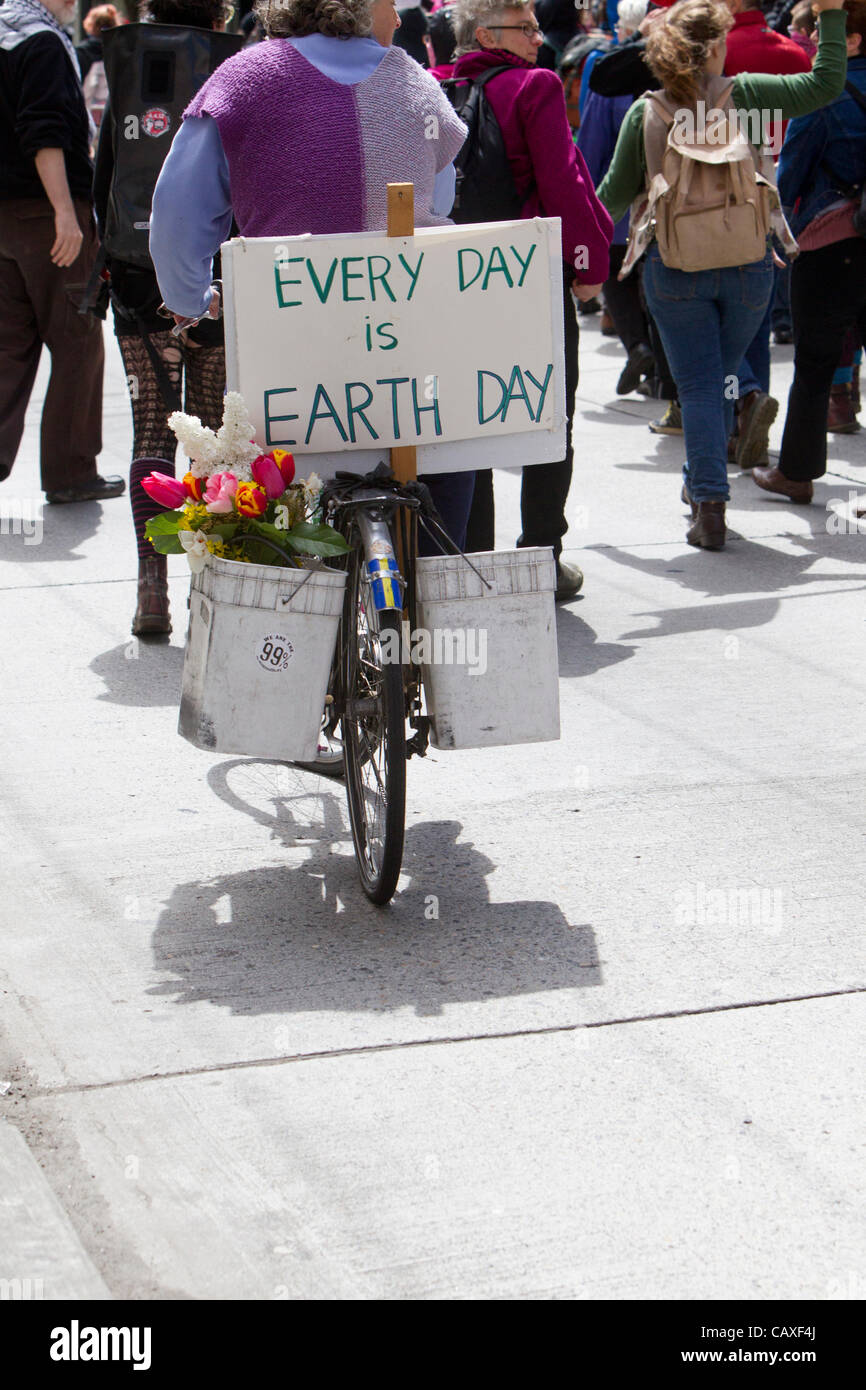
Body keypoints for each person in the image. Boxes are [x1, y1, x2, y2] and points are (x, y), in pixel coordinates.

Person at [149, 0, 473, 552]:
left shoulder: (244, 78)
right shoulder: (413, 79)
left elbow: (177, 215)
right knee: (436, 498)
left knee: (287, 537)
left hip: (292, 356)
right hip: (412, 349)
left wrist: (191, 298)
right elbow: (440, 202)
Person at [597, 0, 847, 549]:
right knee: (719, 380)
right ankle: (702, 484)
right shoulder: (749, 94)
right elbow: (826, 84)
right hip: (749, 267)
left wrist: (574, 256)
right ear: (715, 47)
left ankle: (709, 503)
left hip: (675, 268)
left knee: (701, 387)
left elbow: (611, 198)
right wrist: (829, 15)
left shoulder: (648, 112)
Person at [450, 0, 613, 598]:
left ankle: (472, 557)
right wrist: (588, 265)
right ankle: (541, 553)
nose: (540, 39)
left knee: (466, 423)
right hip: (525, 277)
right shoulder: (534, 86)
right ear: (487, 32)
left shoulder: (436, 83)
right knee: (547, 418)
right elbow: (563, 182)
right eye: (527, 27)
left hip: (452, 280)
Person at [94, 0, 241, 635]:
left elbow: (105, 176)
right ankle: (207, 590)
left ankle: (149, 588)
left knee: (152, 435)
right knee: (211, 438)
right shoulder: (233, 70)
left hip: (135, 272)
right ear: (218, 14)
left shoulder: (129, 65)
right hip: (215, 272)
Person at [0, 0, 121, 502]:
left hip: (5, 217)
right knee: (78, 342)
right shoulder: (43, 41)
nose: (73, 1)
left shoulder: (7, 31)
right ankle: (71, 473)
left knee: (7, 350)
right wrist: (65, 213)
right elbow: (44, 131)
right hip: (46, 214)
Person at [753, 0, 866, 504]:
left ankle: (797, 473)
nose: (820, 40)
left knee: (816, 361)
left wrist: (781, 235)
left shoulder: (825, 95)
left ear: (854, 40)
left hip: (831, 245)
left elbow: (791, 173)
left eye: (825, 31)